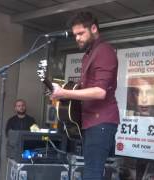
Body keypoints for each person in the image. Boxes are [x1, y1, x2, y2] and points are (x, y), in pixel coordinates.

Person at [50, 11, 119, 180]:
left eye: (81, 33)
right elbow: (85, 90)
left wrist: (65, 92)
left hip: (101, 122)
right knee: (90, 171)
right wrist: (60, 94)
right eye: (75, 35)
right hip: (91, 122)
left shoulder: (104, 51)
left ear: (94, 28)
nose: (77, 38)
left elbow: (100, 91)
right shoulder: (88, 55)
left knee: (92, 174)